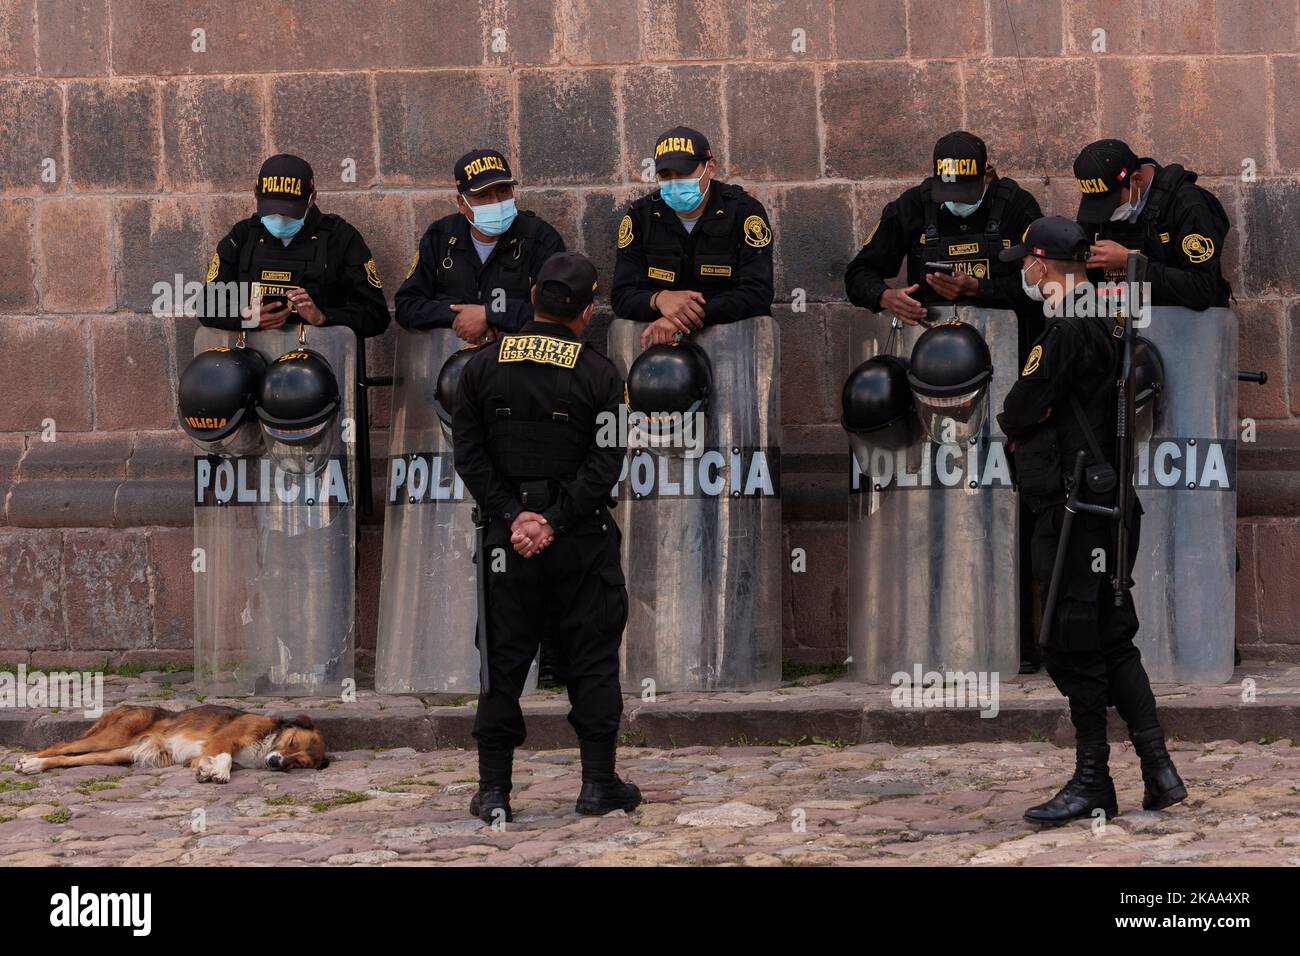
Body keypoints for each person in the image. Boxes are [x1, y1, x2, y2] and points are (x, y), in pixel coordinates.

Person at [996, 216, 1186, 826]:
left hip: (1075, 508)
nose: (1024, 273)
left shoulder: (1066, 330)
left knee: (1066, 639)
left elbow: (1019, 409)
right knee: (1110, 635)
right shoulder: (1105, 319)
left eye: (1026, 263)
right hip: (1105, 503)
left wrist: (1024, 411)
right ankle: (1158, 770)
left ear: (1043, 265)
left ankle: (1092, 779)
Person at [845, 130, 1046, 673]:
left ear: (988, 172)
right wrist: (884, 296)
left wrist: (981, 291)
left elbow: (1043, 286)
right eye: (947, 187)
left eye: (966, 185)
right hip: (931, 391)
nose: (956, 196)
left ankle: (1017, 642)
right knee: (933, 503)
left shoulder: (1016, 208)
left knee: (1012, 503)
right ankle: (931, 631)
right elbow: (858, 272)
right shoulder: (911, 207)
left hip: (1005, 380)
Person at [452, 251, 638, 823]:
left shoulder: (480, 368)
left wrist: (516, 516)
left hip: (510, 544)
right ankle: (597, 786)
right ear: (587, 310)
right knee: (593, 659)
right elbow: (607, 463)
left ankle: (494, 791)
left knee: (502, 666)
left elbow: (469, 455)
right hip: (579, 539)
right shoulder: (603, 375)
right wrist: (554, 519)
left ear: (532, 296)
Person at [611, 126, 774, 349]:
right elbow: (622, 295)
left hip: (731, 348)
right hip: (659, 351)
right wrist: (659, 299)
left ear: (711, 168)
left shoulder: (744, 212)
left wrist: (681, 318)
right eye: (666, 175)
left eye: (684, 173)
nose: (675, 182)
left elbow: (757, 294)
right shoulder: (641, 216)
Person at [198, 153, 389, 337]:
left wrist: (323, 317)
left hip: (318, 356)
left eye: (290, 212)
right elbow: (206, 304)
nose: (280, 219)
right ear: (256, 194)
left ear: (312, 198)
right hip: (250, 358)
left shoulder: (340, 238)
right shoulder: (242, 236)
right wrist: (244, 317)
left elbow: (376, 315)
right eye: (272, 210)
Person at [395, 149, 565, 342]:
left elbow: (557, 310)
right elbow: (406, 306)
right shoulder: (440, 237)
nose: (497, 203)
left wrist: (490, 315)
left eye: (503, 191)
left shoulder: (541, 238)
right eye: (483, 195)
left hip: (518, 364)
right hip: (450, 360)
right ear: (462, 203)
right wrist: (461, 317)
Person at [1074, 138, 1230, 309]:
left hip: (1183, 327)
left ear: (1136, 181)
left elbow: (1201, 289)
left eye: (1111, 203)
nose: (1106, 213)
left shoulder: (1188, 205)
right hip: (1121, 324)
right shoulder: (1097, 215)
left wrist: (1130, 262)